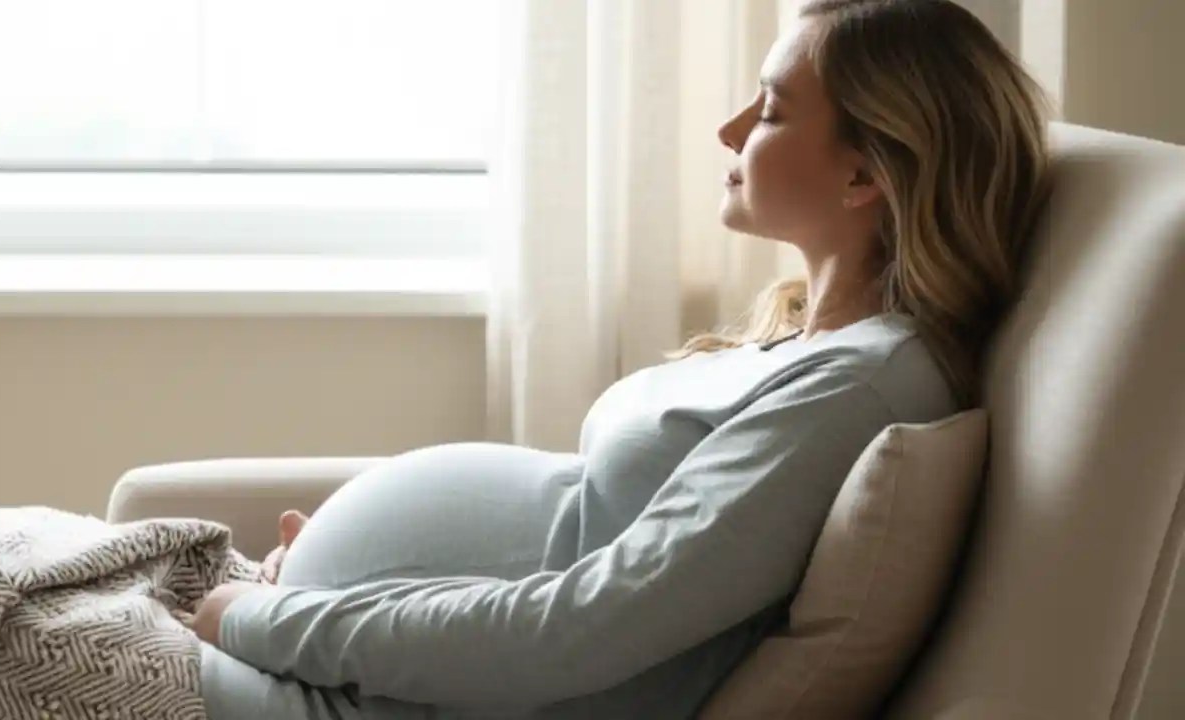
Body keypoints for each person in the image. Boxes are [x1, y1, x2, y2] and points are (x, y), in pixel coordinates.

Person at [188, 1, 1051, 718]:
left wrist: (267, 619)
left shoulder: (863, 386)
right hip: (340, 651)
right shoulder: (813, 343)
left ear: (863, 176)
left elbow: (583, 632)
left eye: (771, 110)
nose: (730, 130)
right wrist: (317, 587)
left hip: (362, 693)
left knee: (90, 615)